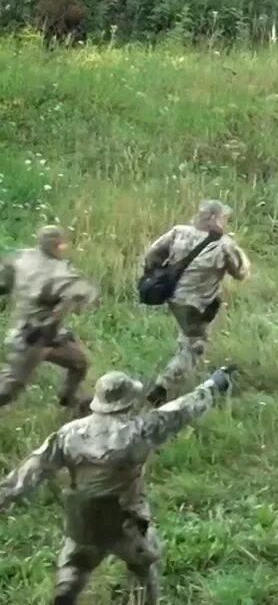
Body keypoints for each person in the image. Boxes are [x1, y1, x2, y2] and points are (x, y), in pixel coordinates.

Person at [0, 366, 237, 605]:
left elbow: (33, 468)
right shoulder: (138, 431)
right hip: (124, 520)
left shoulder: (69, 433)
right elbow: (180, 410)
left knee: (75, 562)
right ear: (128, 401)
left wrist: (4, 495)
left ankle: (67, 589)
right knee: (144, 566)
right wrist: (212, 386)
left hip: (82, 519)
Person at [141, 199, 250, 405]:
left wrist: (155, 275)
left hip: (173, 297)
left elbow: (151, 255)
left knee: (188, 336)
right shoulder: (223, 245)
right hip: (197, 304)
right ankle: (162, 387)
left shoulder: (178, 232)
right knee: (195, 346)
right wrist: (238, 251)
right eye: (223, 218)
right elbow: (240, 273)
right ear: (214, 219)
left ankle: (177, 363)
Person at [0, 225, 97, 410]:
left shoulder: (22, 257)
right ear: (57, 246)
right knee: (8, 389)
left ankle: (69, 400)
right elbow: (81, 291)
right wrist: (84, 296)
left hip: (44, 334)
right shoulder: (56, 272)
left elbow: (3, 282)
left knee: (78, 362)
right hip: (30, 340)